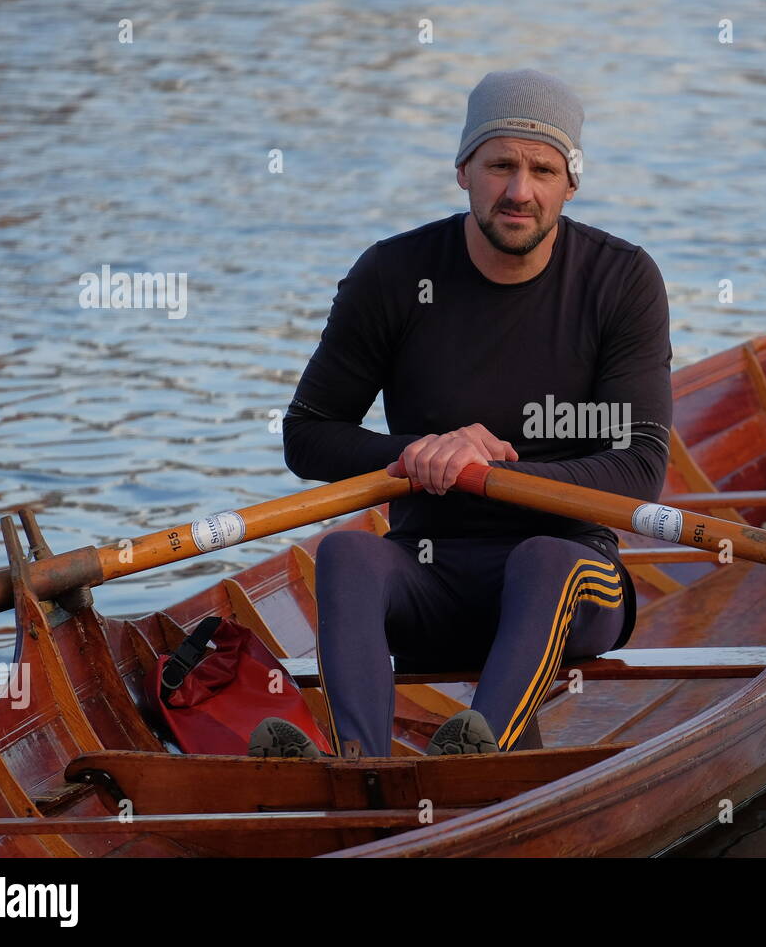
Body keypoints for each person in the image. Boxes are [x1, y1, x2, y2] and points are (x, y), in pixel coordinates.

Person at [254, 68, 672, 759]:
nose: (519, 190)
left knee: (543, 559)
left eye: (542, 168)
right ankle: (359, 769)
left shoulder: (621, 281)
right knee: (348, 552)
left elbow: (641, 469)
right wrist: (422, 451)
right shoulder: (392, 275)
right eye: (499, 164)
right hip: (430, 579)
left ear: (571, 183)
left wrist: (489, 466)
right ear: (462, 171)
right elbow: (307, 435)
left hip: (574, 580)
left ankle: (475, 763)